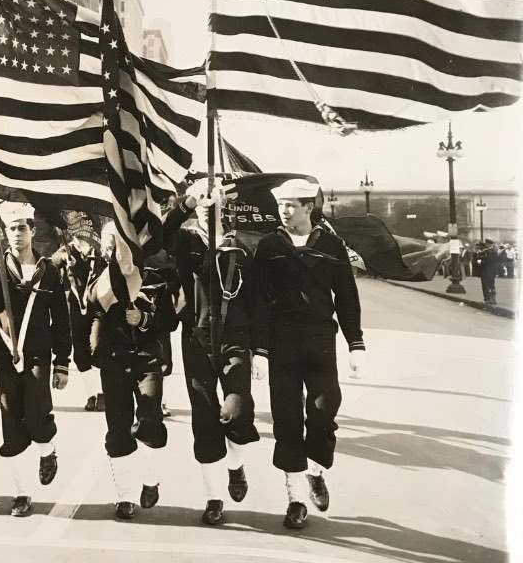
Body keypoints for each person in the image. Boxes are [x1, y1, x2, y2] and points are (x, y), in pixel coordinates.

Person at [253, 178, 367, 530]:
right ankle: (295, 498)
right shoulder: (269, 246)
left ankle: (316, 471)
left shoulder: (331, 245)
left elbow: (346, 297)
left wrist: (356, 343)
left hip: (320, 341)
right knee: (286, 419)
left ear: (308, 207)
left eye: (290, 205)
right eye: (280, 206)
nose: (283, 212)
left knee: (323, 410)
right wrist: (259, 349)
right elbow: (257, 300)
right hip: (282, 342)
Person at [0, 201, 71, 518]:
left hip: (37, 352)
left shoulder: (49, 271)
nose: (17, 233)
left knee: (36, 414)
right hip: (6, 353)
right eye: (11, 229)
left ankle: (47, 451)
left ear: (32, 231)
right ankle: (21, 494)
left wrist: (63, 362)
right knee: (11, 425)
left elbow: (62, 319)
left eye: (22, 227)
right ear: (4, 234)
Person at [163, 180, 264, 526]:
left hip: (235, 340)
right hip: (196, 340)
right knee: (204, 420)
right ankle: (213, 497)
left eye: (214, 200)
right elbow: (160, 237)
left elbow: (257, 302)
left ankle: (235, 468)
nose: (209, 205)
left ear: (225, 206)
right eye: (204, 201)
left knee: (235, 413)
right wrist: (186, 203)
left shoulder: (241, 247)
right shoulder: (186, 242)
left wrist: (260, 350)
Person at [87, 223, 176, 520]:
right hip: (113, 359)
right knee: (118, 428)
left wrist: (144, 318)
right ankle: (123, 496)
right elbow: (87, 312)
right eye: (109, 245)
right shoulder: (97, 278)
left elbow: (169, 320)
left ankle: (151, 478)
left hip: (146, 357)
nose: (114, 250)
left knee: (150, 417)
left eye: (121, 244)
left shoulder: (153, 275)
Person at [52, 218, 104, 412]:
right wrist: (63, 259)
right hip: (75, 307)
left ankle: (101, 393)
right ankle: (91, 394)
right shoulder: (67, 250)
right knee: (81, 353)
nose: (81, 237)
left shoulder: (101, 251)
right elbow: (50, 264)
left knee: (97, 347)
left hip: (99, 307)